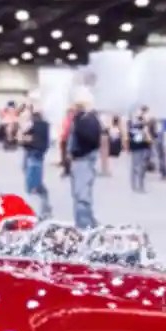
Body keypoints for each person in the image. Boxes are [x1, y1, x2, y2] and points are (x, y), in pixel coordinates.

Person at [68, 88, 102, 228]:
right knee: (79, 194)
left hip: (83, 159)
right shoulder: (84, 119)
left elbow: (92, 139)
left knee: (82, 196)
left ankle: (84, 225)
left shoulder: (87, 120)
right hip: (81, 159)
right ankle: (86, 222)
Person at [21, 104, 52, 218]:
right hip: (39, 153)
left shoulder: (32, 124)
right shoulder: (46, 125)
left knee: (32, 184)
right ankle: (45, 205)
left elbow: (24, 138)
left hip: (32, 153)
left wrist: (24, 138)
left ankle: (38, 210)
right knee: (37, 181)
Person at [126, 107, 152, 193]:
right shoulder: (135, 123)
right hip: (137, 146)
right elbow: (133, 135)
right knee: (136, 166)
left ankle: (140, 185)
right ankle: (135, 186)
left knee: (142, 167)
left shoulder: (145, 123)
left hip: (143, 146)